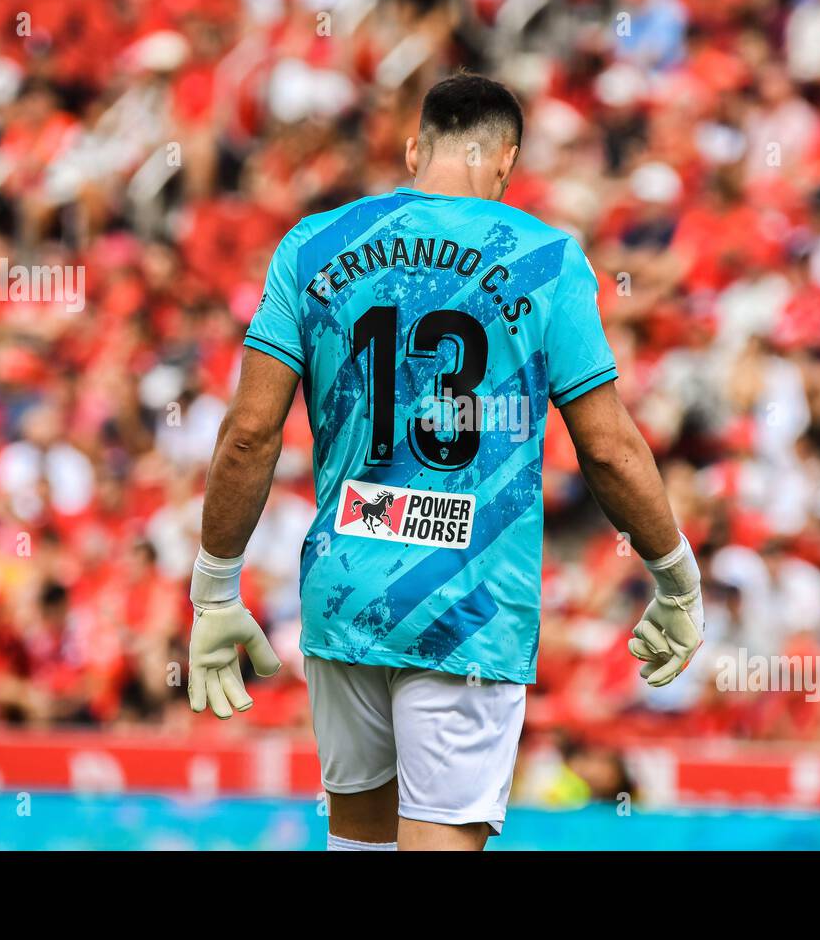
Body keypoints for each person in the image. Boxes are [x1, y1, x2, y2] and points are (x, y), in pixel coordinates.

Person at [186, 73, 706, 850]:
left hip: (348, 590)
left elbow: (249, 435)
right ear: (506, 161)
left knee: (358, 842)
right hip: (467, 604)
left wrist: (214, 590)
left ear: (412, 149)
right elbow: (607, 446)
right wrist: (676, 576)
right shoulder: (546, 259)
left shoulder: (313, 245)